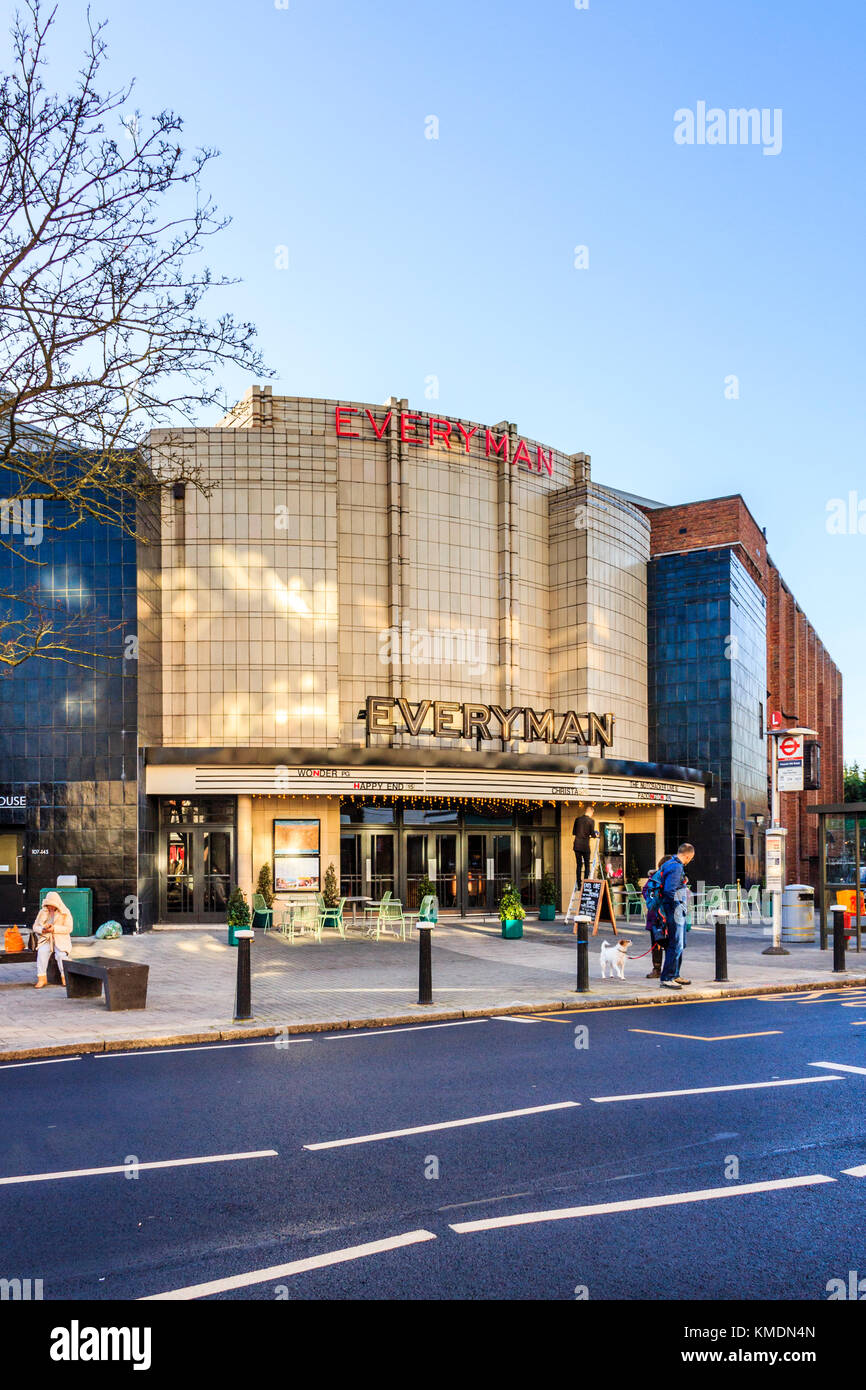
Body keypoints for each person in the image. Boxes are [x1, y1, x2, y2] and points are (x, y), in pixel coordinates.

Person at [659, 843, 695, 991]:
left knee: (679, 944)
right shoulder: (676, 867)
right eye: (690, 859)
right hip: (674, 912)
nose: (689, 861)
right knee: (675, 944)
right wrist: (677, 907)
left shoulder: (670, 864)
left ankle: (675, 974)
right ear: (688, 855)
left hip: (674, 911)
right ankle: (667, 978)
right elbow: (669, 891)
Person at [32, 890, 73, 988]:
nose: (50, 907)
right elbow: (35, 926)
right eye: (48, 905)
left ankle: (65, 978)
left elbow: (69, 928)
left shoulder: (65, 912)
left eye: (52, 905)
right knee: (42, 952)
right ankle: (42, 979)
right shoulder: (43, 912)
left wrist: (54, 928)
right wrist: (42, 930)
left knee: (61, 955)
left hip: (60, 939)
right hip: (46, 939)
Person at [644, 854, 673, 979]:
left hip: (669, 917)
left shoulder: (674, 879)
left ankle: (670, 969)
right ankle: (657, 968)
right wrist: (655, 901)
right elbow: (646, 892)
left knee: (670, 945)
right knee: (657, 944)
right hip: (656, 918)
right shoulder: (653, 880)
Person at [572, 807, 598, 884]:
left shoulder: (577, 819)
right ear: (591, 812)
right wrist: (594, 834)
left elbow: (574, 832)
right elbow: (593, 834)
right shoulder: (591, 821)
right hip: (585, 846)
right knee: (587, 865)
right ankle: (585, 883)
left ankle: (579, 883)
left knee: (579, 865)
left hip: (577, 845)